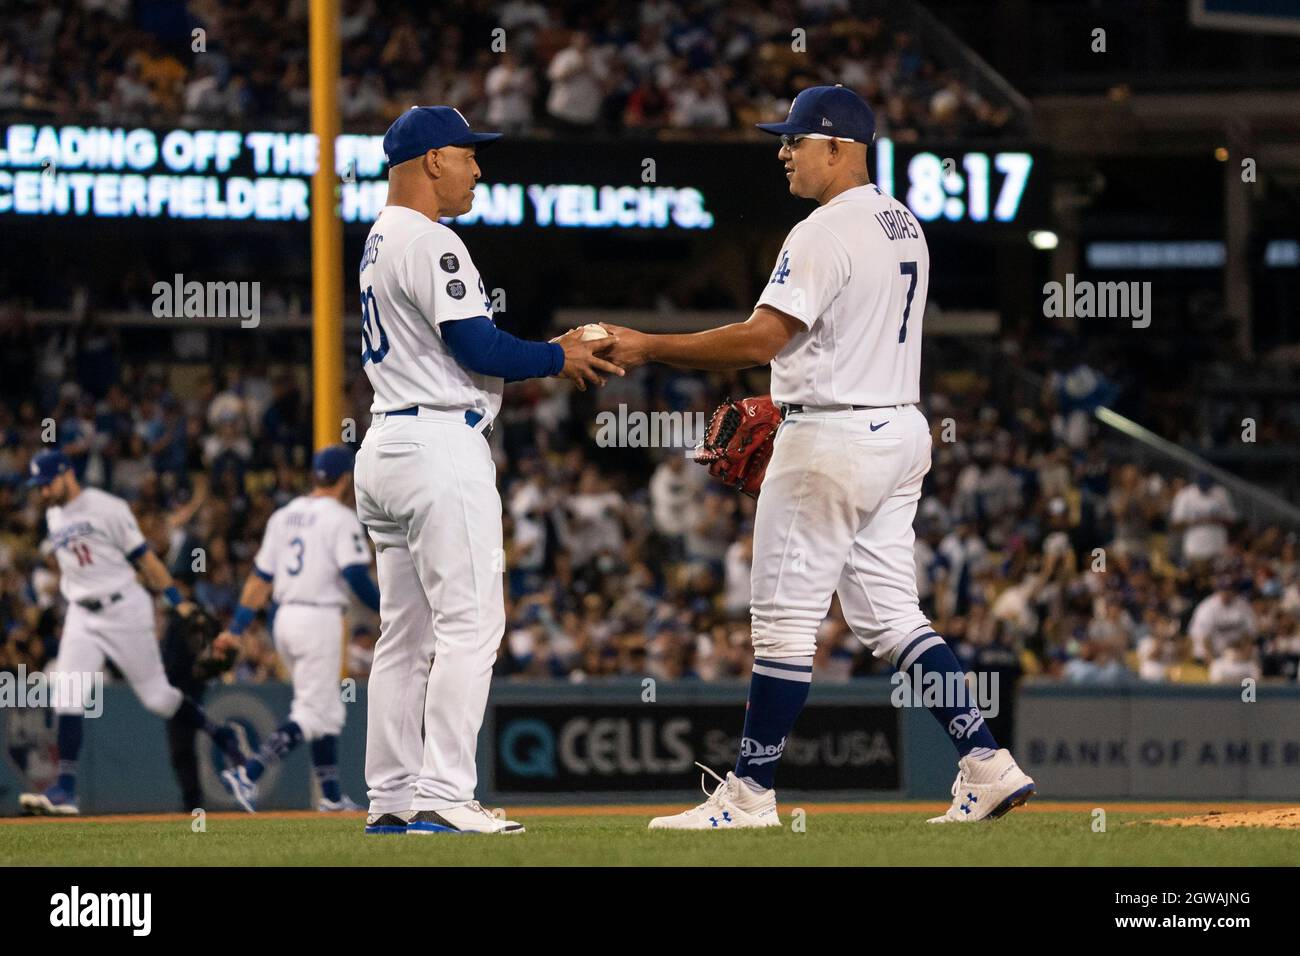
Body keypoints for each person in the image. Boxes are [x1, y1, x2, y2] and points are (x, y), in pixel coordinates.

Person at [603, 86, 1035, 828]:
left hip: (831, 438)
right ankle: (987, 763)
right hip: (897, 431)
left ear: (837, 146)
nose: (783, 151)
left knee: (782, 622)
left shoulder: (820, 231)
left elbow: (759, 339)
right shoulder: (904, 222)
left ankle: (750, 794)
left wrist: (648, 343)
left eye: (795, 140)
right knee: (895, 618)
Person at [352, 106, 621, 835]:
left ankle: (393, 798)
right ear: (433, 159)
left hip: (384, 448)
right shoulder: (431, 239)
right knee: (471, 626)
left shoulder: (379, 237)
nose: (478, 167)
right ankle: (442, 794)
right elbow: (478, 346)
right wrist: (556, 355)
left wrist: (544, 348)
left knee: (404, 638)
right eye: (469, 154)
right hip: (438, 445)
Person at [18, 449, 246, 816]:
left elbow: (146, 559)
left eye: (47, 483)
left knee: (158, 697)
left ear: (66, 473)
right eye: (39, 487)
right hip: (81, 612)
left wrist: (178, 602)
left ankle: (222, 733)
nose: (43, 492)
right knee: (67, 695)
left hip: (124, 607)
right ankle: (65, 791)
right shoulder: (53, 515)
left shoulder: (106, 507)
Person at [215, 446, 379, 813]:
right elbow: (355, 574)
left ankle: (332, 796)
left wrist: (238, 627)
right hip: (318, 617)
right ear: (343, 480)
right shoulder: (340, 517)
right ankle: (249, 772)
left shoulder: (282, 516)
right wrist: (387, 609)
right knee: (310, 711)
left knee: (328, 710)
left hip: (284, 618)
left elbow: (260, 579)